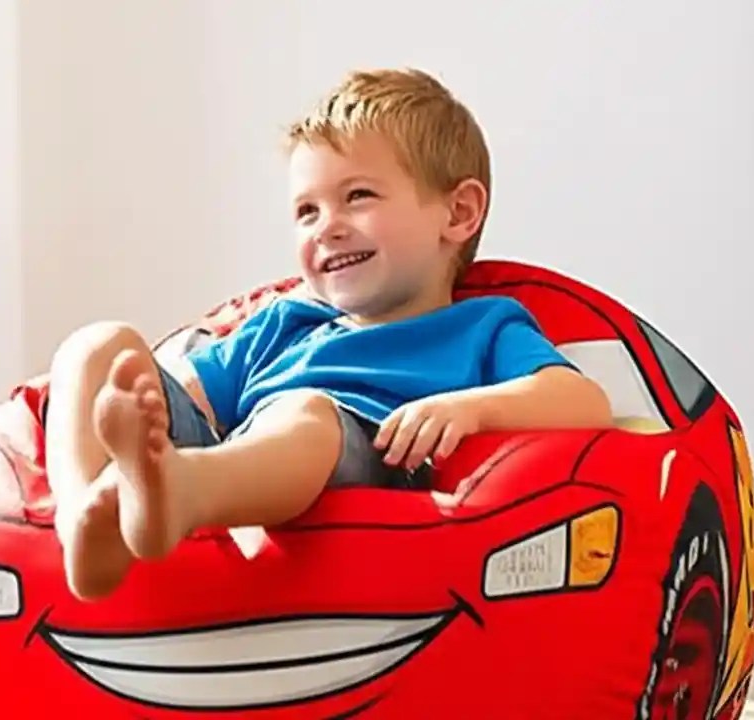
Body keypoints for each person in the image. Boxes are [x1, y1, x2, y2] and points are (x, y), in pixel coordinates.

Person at [46, 68, 614, 601]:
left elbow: (583, 400)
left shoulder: (480, 325)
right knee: (98, 345)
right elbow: (190, 399)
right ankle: (86, 522)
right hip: (231, 455)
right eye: (306, 212)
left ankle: (178, 494)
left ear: (458, 212)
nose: (327, 228)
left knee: (305, 412)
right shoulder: (284, 322)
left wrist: (469, 410)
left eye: (358, 197)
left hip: (365, 455)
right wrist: (144, 408)